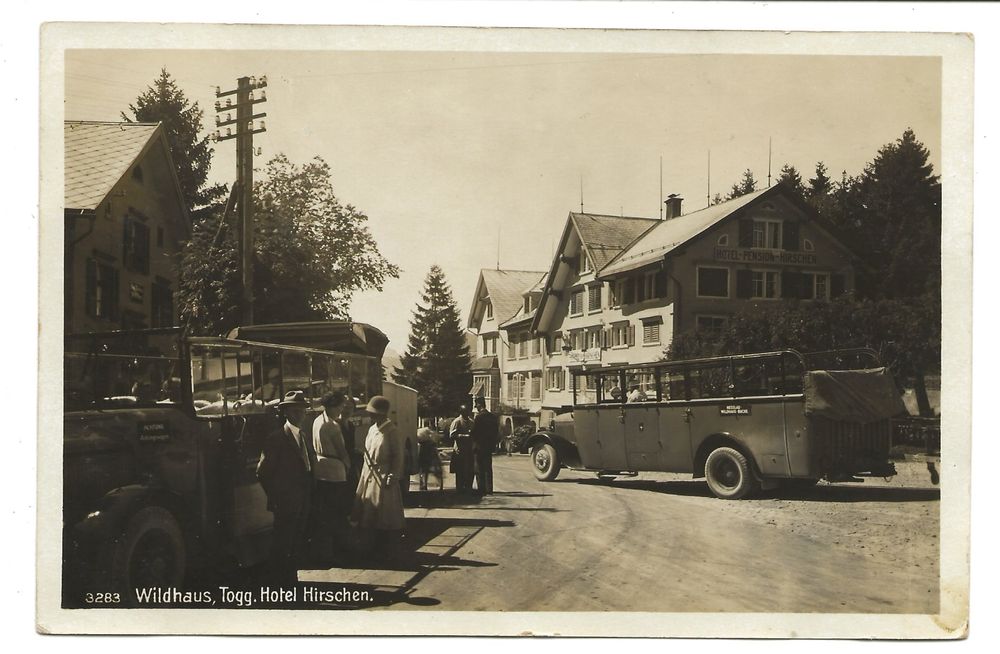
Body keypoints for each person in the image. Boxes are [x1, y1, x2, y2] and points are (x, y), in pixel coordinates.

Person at [256, 392, 313, 585]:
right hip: (285, 501)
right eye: (295, 411)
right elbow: (262, 472)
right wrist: (277, 497)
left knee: (296, 539)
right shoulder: (277, 438)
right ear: (286, 413)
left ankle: (291, 579)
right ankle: (279, 583)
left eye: (302, 411)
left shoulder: (303, 436)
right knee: (283, 541)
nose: (299, 415)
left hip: (302, 498)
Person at [351, 395, 406, 560]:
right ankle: (371, 549)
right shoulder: (372, 429)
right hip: (368, 474)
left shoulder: (392, 431)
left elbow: (398, 456)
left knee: (384, 515)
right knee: (368, 513)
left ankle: (386, 551)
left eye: (374, 413)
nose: (371, 416)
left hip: (383, 477)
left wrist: (393, 475)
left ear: (383, 414)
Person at [311, 391, 352, 562]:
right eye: (341, 405)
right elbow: (342, 451)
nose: (342, 409)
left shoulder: (317, 420)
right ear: (333, 406)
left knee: (324, 513)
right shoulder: (332, 426)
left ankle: (324, 551)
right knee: (338, 512)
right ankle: (338, 550)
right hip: (335, 469)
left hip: (320, 468)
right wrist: (348, 465)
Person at [471, 396, 500, 495]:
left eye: (476, 405)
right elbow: (496, 432)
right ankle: (489, 489)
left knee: (479, 468)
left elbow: (474, 432)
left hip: (479, 446)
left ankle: (481, 489)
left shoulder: (479, 417)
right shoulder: (492, 417)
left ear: (479, 405)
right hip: (489, 446)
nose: (476, 407)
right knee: (488, 467)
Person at [449, 406, 475, 492]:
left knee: (470, 470)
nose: (466, 413)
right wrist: (463, 436)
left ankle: (468, 487)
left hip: (469, 450)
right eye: (464, 412)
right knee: (460, 470)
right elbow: (452, 435)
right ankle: (459, 488)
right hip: (459, 450)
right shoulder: (457, 421)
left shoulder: (471, 422)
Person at [416, 427, 444, 491]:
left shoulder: (420, 434)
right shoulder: (430, 436)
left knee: (423, 469)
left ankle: (423, 484)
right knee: (435, 469)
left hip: (423, 452)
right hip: (430, 451)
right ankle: (440, 485)